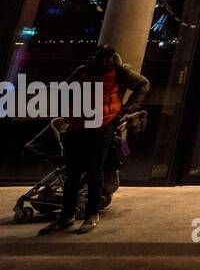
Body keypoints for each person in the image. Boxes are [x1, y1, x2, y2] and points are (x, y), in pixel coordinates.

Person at [39, 46, 149, 236]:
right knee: (73, 174)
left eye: (109, 59)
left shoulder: (118, 72)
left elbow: (143, 84)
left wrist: (127, 108)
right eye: (102, 59)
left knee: (93, 170)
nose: (105, 63)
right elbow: (66, 90)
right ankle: (67, 216)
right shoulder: (83, 72)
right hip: (77, 126)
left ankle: (90, 214)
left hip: (101, 127)